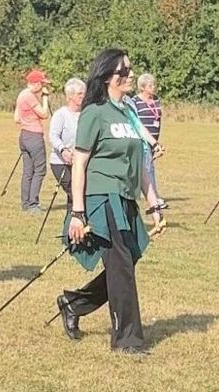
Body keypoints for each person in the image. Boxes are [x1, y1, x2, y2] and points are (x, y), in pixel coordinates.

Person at [57, 49, 166, 355]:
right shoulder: (95, 113)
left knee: (126, 263)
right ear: (108, 77)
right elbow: (79, 163)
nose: (130, 75)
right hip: (102, 197)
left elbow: (141, 162)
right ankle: (127, 340)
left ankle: (74, 303)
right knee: (121, 267)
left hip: (126, 197)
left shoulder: (128, 113)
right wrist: (77, 213)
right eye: (124, 71)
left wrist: (154, 204)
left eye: (130, 69)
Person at [15, 69, 51, 213]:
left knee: (28, 171)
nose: (42, 87)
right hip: (34, 135)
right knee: (40, 170)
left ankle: (25, 203)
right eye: (42, 84)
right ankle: (33, 204)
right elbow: (44, 114)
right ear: (35, 84)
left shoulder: (21, 95)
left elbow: (16, 118)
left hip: (24, 135)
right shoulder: (29, 96)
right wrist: (45, 98)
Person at [131, 73, 167, 209]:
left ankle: (150, 196)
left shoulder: (156, 101)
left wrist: (156, 143)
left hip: (153, 140)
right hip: (142, 139)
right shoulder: (135, 101)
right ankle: (154, 198)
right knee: (148, 168)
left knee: (147, 168)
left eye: (153, 85)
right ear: (142, 87)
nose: (153, 87)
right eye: (150, 85)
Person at [48, 78, 85, 195]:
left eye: (84, 93)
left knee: (77, 195)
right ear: (70, 96)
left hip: (79, 161)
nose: (83, 96)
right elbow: (53, 136)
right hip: (60, 162)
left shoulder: (86, 114)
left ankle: (71, 214)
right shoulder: (61, 114)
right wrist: (63, 150)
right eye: (79, 93)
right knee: (75, 193)